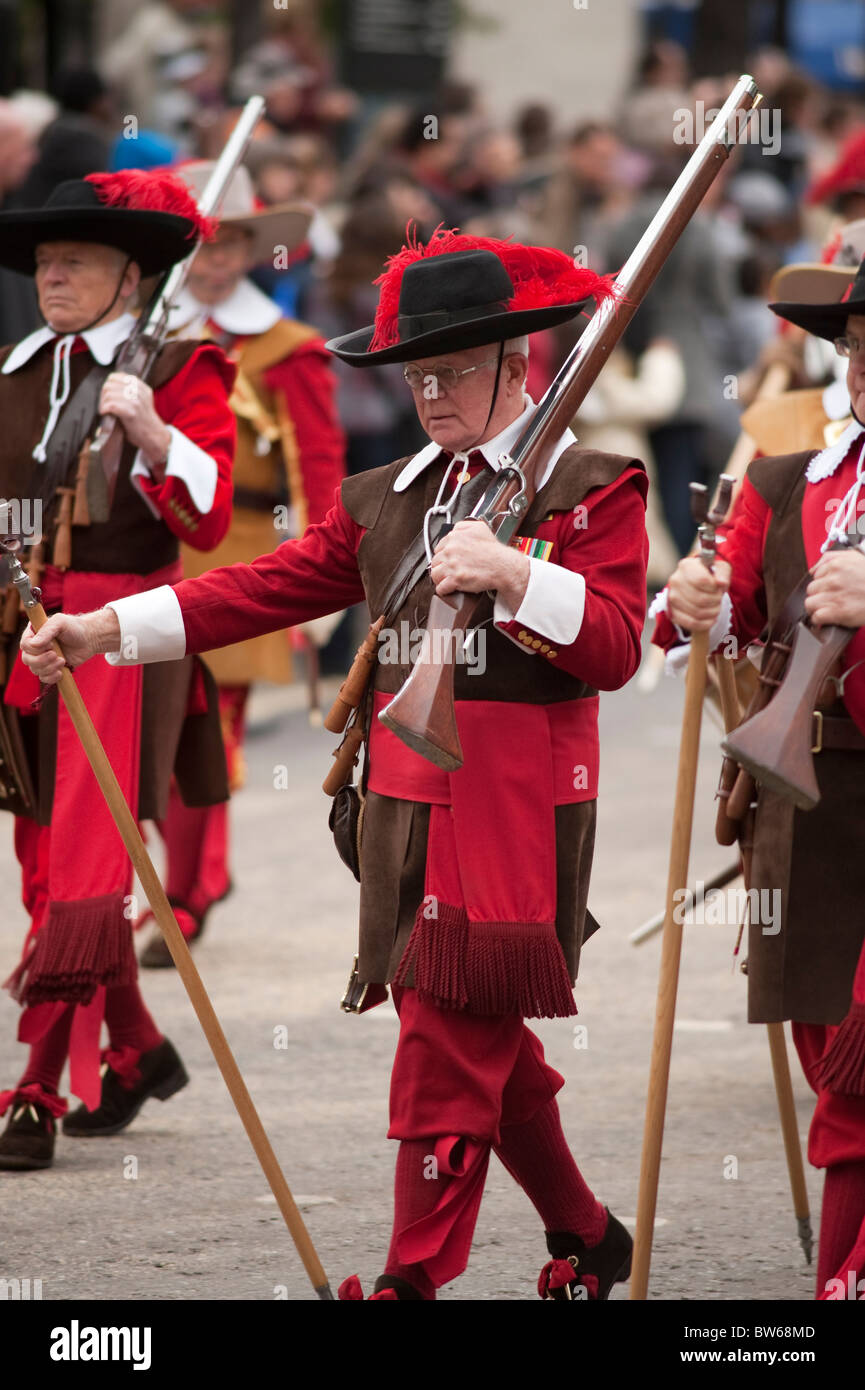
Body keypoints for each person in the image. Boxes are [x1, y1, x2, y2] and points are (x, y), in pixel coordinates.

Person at [20, 230, 649, 1300]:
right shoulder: (387, 495)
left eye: (451, 370)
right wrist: (103, 629)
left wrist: (511, 572)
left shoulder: (591, 484)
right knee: (469, 1039)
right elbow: (255, 587)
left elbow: (618, 646)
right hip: (400, 800)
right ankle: (586, 1235)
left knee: (447, 1051)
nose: (429, 392)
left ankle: (410, 1279)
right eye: (416, 372)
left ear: (517, 366)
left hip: (511, 812)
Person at [0, 168, 236, 1170]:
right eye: (45, 261)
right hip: (23, 633)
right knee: (43, 869)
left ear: (129, 277)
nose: (52, 276)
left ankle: (34, 1090)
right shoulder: (15, 368)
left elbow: (210, 513)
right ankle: (135, 1050)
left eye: (75, 262)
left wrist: (150, 429)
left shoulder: (183, 365)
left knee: (83, 875)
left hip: (124, 633)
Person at [651, 258, 865, 1299]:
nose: (864, 363)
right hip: (803, 796)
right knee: (831, 1049)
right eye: (857, 342)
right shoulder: (793, 477)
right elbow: (725, 608)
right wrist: (691, 598)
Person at [135, 159, 345, 967]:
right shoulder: (150, 337)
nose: (214, 261)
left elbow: (321, 468)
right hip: (152, 546)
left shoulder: (289, 349)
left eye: (229, 245)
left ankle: (188, 894)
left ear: (256, 250)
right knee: (140, 728)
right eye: (201, 245)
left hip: (246, 553)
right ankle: (169, 881)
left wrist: (320, 571)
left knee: (205, 730)